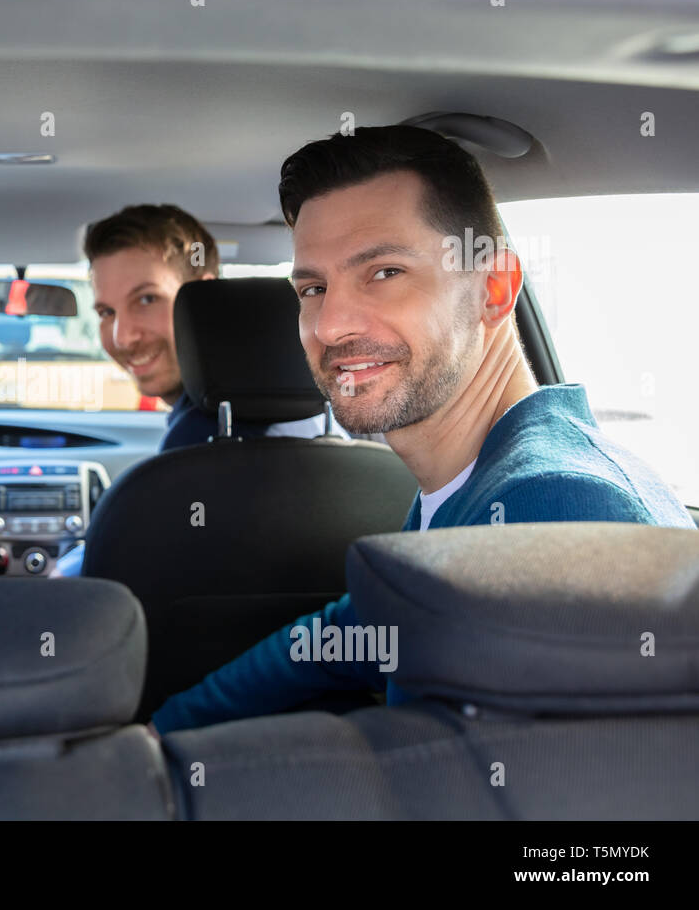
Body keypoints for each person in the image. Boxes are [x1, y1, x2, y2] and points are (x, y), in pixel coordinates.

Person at [151, 125, 696, 734]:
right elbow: (352, 636)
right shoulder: (471, 486)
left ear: (493, 289)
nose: (330, 325)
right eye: (313, 287)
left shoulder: (554, 506)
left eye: (384, 272)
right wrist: (158, 737)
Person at [50, 204, 336, 577]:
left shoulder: (190, 457)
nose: (123, 336)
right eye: (106, 312)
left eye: (146, 299)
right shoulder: (336, 434)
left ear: (202, 302)